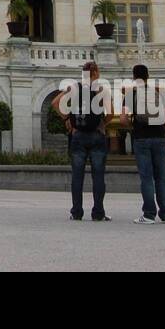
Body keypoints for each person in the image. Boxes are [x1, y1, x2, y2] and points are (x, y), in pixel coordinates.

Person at [119, 64, 165, 224]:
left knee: (147, 177)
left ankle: (149, 214)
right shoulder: (158, 93)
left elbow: (122, 119)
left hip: (141, 138)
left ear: (134, 77)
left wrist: (132, 127)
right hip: (160, 138)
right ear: (148, 76)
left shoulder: (131, 94)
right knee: (161, 177)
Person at [59, 61, 111, 221]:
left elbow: (55, 103)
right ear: (95, 73)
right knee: (98, 176)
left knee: (77, 176)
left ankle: (76, 212)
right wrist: (102, 124)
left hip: (78, 135)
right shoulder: (101, 89)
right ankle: (98, 213)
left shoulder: (74, 88)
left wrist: (68, 119)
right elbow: (110, 114)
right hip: (96, 135)